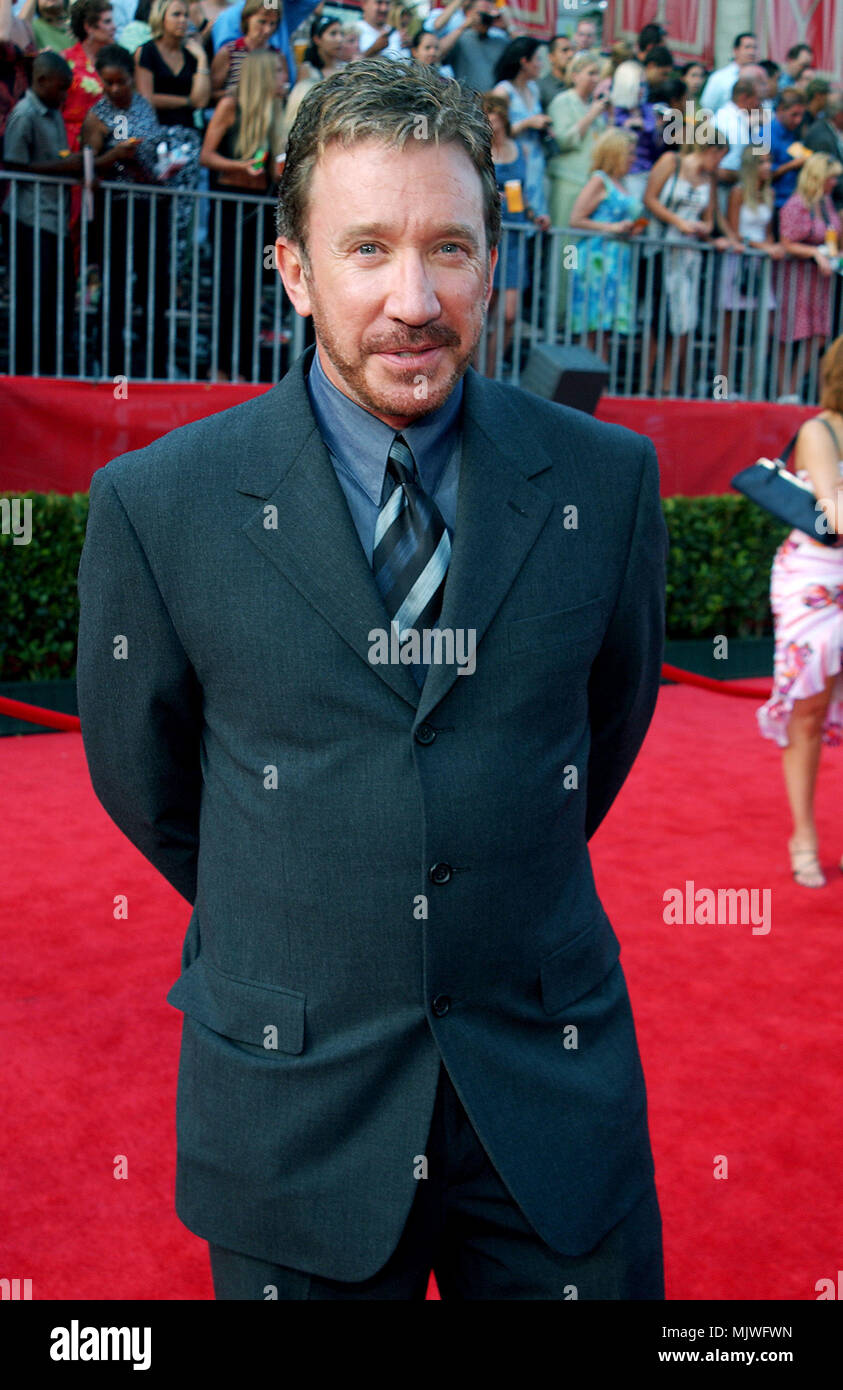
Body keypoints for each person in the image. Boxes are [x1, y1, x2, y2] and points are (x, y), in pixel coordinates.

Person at [77, 54, 668, 1303]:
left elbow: (599, 736)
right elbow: (146, 777)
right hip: (295, 1106)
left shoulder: (606, 485)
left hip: (551, 1091)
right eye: (366, 251)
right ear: (292, 270)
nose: (414, 298)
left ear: (493, 265)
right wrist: (316, 881)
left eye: (449, 248)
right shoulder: (159, 504)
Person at [757, 335, 843, 886]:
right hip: (815, 583)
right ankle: (804, 836)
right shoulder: (820, 429)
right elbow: (833, 511)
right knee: (808, 711)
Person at [80, 42, 173, 377]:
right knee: (116, 287)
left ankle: (154, 366)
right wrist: (113, 155)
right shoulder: (97, 115)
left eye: (122, 81)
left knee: (154, 286)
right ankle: (110, 365)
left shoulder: (145, 107)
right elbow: (86, 167)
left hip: (151, 207)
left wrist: (165, 164)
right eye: (109, 83)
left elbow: (156, 146)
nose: (116, 88)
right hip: (116, 211)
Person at [200, 47, 285, 380]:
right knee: (228, 287)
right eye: (278, 71)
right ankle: (220, 367)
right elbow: (206, 156)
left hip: (260, 209)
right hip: (230, 205)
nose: (285, 78)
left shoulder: (275, 111)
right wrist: (240, 166)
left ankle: (244, 368)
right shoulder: (229, 106)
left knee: (251, 290)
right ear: (263, 74)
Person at [2, 49, 78, 373]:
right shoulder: (25, 114)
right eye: (60, 88)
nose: (63, 96)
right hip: (28, 217)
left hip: (53, 218)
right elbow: (15, 164)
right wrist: (65, 167)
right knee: (32, 298)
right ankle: (27, 368)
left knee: (55, 298)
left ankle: (51, 367)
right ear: (42, 80)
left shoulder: (54, 112)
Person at [644, 122, 730, 392]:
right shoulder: (672, 161)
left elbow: (709, 216)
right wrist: (677, 221)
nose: (720, 163)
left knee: (683, 320)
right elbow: (650, 198)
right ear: (710, 150)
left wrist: (708, 232)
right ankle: (645, 384)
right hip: (661, 248)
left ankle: (669, 384)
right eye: (720, 156)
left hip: (690, 258)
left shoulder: (710, 179)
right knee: (660, 319)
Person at [480, 90, 548, 375]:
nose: (494, 126)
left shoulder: (522, 149)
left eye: (498, 120)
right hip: (489, 233)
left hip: (516, 235)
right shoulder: (479, 151)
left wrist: (535, 215)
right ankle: (475, 371)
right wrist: (493, 197)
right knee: (484, 310)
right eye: (490, 120)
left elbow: (520, 194)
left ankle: (492, 370)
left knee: (509, 314)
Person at [776, 153, 843, 400]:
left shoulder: (825, 204)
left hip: (820, 281)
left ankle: (793, 388)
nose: (834, 182)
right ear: (818, 177)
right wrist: (814, 252)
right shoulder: (797, 203)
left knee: (818, 336)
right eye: (831, 177)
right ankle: (784, 391)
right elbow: (786, 242)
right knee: (792, 333)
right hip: (797, 279)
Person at [568, 126, 642, 344]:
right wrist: (612, 228)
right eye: (630, 153)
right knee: (593, 326)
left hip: (617, 262)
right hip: (597, 260)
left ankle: (599, 376)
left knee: (607, 329)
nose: (633, 158)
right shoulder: (599, 180)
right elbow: (575, 219)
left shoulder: (624, 183)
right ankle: (588, 376)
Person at [718, 145, 782, 381]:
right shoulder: (738, 192)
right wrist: (764, 247)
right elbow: (735, 233)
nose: (768, 167)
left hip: (760, 266)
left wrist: (772, 247)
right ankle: (721, 389)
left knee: (765, 328)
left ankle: (750, 386)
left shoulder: (769, 193)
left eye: (769, 161)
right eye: (763, 162)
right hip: (738, 262)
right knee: (728, 329)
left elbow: (768, 235)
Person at [491, 36, 549, 225]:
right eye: (537, 59)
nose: (540, 64)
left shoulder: (533, 89)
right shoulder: (503, 90)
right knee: (514, 209)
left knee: (530, 211)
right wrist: (527, 123)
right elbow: (495, 129)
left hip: (535, 158)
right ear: (524, 61)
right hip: (513, 157)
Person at [135, 0, 209, 128]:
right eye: (176, 15)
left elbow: (201, 101)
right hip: (154, 126)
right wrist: (187, 101)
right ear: (161, 18)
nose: (183, 20)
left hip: (187, 128)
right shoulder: (146, 51)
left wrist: (202, 58)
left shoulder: (192, 54)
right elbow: (147, 99)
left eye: (186, 15)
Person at [280, 12, 343, 145]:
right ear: (317, 39)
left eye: (341, 34)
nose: (339, 39)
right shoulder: (308, 70)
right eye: (333, 34)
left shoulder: (344, 70)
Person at [62, 0, 115, 150]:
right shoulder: (65, 61)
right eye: (107, 21)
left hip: (112, 141)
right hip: (73, 144)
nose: (114, 27)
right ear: (89, 27)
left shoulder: (116, 59)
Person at [610, 58, 660, 202]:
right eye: (639, 84)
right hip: (625, 174)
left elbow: (656, 142)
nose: (643, 89)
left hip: (649, 173)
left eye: (645, 84)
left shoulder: (648, 109)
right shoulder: (614, 110)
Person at [210, 0, 281, 101]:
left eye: (272, 24)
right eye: (262, 22)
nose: (267, 30)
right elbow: (211, 94)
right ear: (247, 18)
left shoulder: (277, 55)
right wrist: (238, 93)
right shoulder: (229, 52)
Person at [437, 0, 509, 92]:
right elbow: (438, 52)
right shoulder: (461, 38)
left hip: (491, 101)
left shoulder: (500, 41)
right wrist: (464, 26)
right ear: (469, 13)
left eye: (490, 14)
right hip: (466, 100)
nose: (486, 18)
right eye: (482, 13)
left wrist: (508, 26)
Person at [769, 88, 809, 224]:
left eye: (801, 115)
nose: (798, 120)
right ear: (780, 110)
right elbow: (760, 175)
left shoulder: (793, 134)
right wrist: (792, 165)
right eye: (794, 115)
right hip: (775, 205)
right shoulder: (763, 135)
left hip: (793, 203)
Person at [699, 30, 758, 114]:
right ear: (735, 50)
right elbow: (707, 108)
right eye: (747, 47)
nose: (752, 52)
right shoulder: (719, 77)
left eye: (754, 48)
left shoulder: (759, 78)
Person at [804, 92, 843, 209]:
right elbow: (824, 176)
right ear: (839, 115)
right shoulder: (822, 138)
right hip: (825, 202)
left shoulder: (830, 131)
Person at [538, 32, 571, 111]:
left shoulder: (577, 85)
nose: (570, 54)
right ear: (551, 57)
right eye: (565, 50)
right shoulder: (541, 87)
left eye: (572, 50)